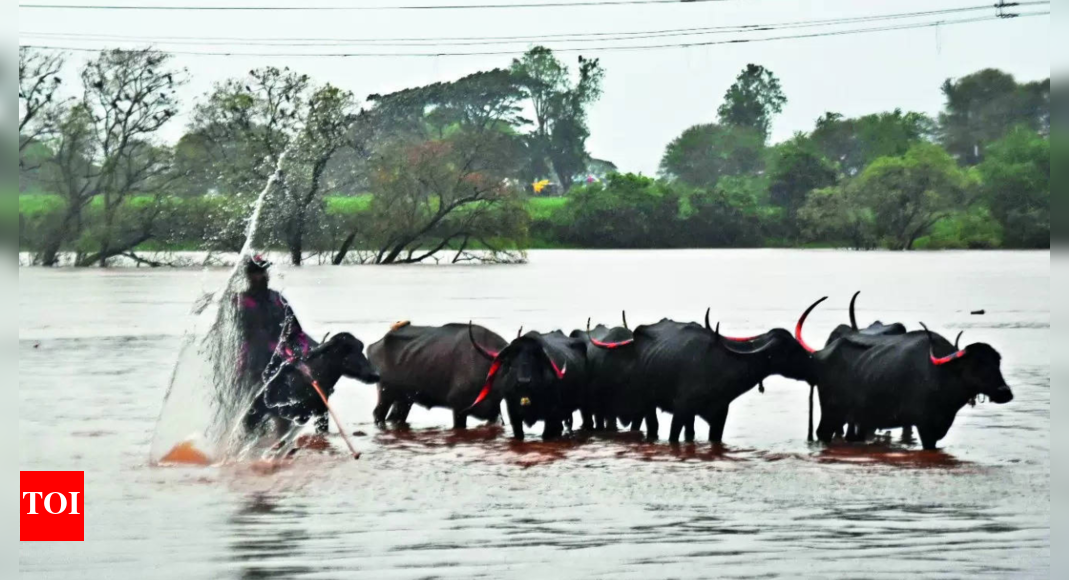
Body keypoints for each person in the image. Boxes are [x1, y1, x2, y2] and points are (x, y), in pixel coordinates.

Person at [236, 254, 317, 434]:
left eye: (263, 272)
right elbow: (242, 335)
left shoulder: (277, 299)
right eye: (256, 273)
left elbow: (295, 331)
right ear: (248, 276)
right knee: (253, 412)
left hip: (279, 360)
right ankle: (251, 439)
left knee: (283, 407)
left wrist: (300, 355)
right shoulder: (240, 302)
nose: (261, 276)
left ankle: (281, 443)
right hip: (252, 363)